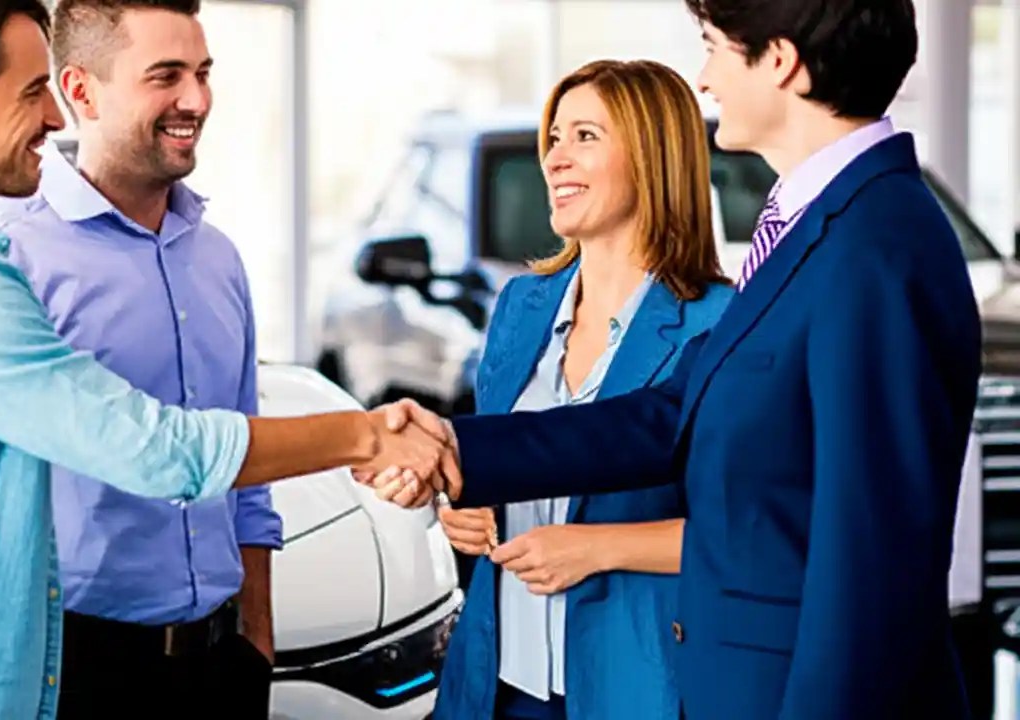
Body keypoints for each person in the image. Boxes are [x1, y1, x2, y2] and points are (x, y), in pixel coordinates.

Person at [0, 2, 443, 719]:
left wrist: (254, 640)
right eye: (32, 93)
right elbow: (157, 449)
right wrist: (364, 434)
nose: (54, 119)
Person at [372, 1, 982, 718]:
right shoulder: (814, 225)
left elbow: (870, 570)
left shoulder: (877, 247)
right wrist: (456, 447)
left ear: (779, 61)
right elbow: (665, 419)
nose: (705, 76)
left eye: (716, 46)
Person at [0, 1, 277, 717]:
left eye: (203, 74)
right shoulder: (11, 252)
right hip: (78, 671)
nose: (197, 100)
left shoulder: (219, 258)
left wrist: (258, 643)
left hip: (218, 665)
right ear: (80, 91)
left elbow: (248, 475)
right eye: (166, 76)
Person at [422, 59, 732, 720]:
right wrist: (465, 512)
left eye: (586, 137)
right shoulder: (520, 305)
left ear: (653, 157)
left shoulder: (723, 322)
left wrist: (597, 548)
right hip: (496, 683)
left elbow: (746, 530)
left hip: (636, 684)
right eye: (554, 139)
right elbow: (503, 457)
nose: (556, 159)